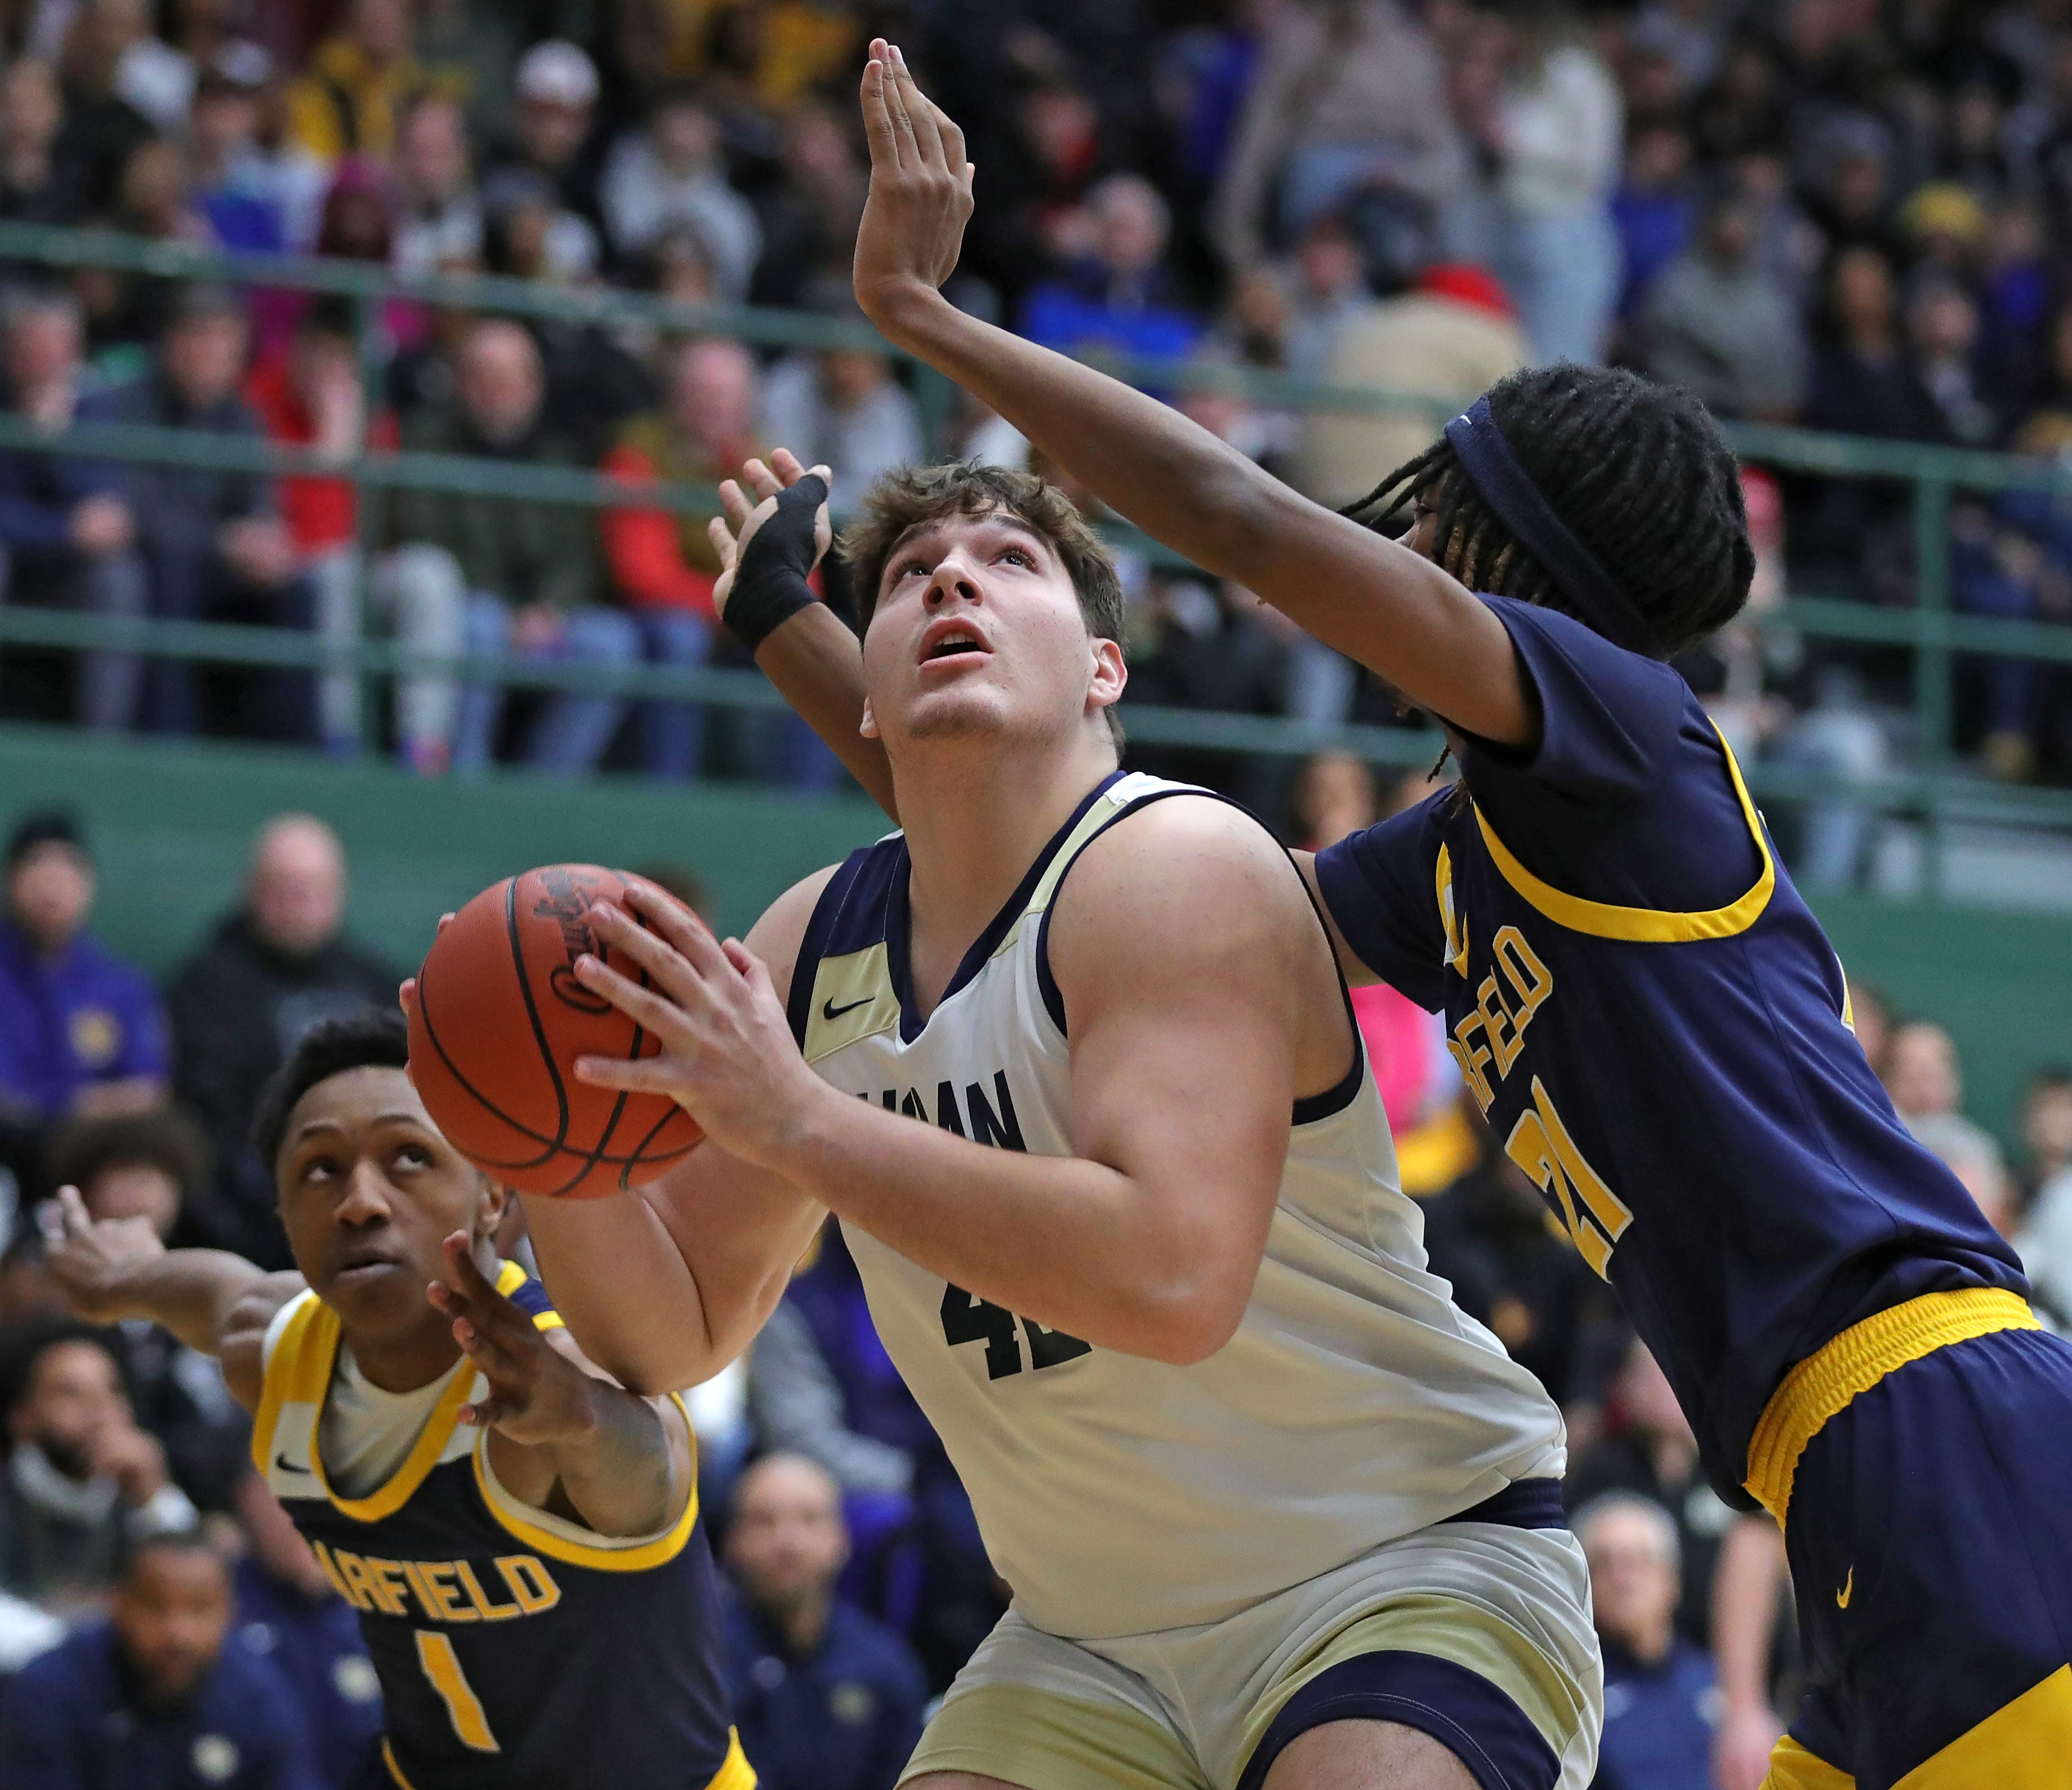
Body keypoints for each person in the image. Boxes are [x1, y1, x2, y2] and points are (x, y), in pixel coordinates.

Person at [747, 43, 2072, 1790]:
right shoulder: (1460, 855)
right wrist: (796, 636)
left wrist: (927, 314)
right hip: (1833, 1481)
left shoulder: (1620, 737)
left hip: (1937, 1419)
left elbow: (1234, 516)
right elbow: (1090, 880)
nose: (1411, 523)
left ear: (1507, 557)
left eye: (1446, 505)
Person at [42, 1007, 752, 1788]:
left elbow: (649, 1461)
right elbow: (206, 1291)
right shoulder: (275, 1352)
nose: (360, 1202)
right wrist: (120, 1277)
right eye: (319, 1168)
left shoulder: (557, 1374)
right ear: (282, 1214)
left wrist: (582, 1416)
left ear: (491, 1195)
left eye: (409, 1156)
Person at [389, 318, 637, 774]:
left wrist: (550, 609)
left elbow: (577, 555)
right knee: (478, 627)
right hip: (470, 606)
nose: (496, 391)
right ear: (460, 382)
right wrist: (507, 614)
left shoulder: (559, 456)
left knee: (613, 643)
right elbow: (423, 533)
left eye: (509, 378)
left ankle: (547, 788)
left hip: (542, 621)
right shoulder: (428, 444)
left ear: (533, 385)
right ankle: (465, 780)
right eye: (482, 377)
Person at [166, 813, 395, 1269]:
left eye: (313, 888)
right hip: (252, 1217)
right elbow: (207, 1124)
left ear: (338, 893)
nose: (299, 902)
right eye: (283, 886)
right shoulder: (204, 989)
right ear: (252, 889)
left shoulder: (375, 984)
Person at [81, 285, 309, 741]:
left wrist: (265, 540)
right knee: (170, 571)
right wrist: (220, 540)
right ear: (171, 342)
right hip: (155, 560)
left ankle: (298, 755)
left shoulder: (242, 418)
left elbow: (260, 503)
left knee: (297, 590)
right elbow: (128, 510)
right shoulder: (125, 405)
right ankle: (169, 742)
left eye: (224, 342)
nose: (211, 353)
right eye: (200, 338)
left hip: (220, 567)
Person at [0, 1526, 321, 1788]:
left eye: (199, 1609)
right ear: (118, 1604)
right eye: (155, 1607)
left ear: (230, 1612)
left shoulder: (258, 1693)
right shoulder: (48, 1691)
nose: (177, 1632)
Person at [601, 337, 765, 780]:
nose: (714, 408)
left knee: (814, 644)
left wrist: (755, 609)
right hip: (656, 618)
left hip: (740, 616)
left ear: (746, 403)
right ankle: (668, 790)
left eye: (726, 396)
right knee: (680, 638)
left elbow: (805, 581)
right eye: (702, 393)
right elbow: (643, 576)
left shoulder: (767, 461)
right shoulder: (638, 451)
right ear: (676, 396)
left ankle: (809, 813)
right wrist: (737, 603)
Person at [723, 1453, 927, 1790]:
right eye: (764, 1521)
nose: (788, 1541)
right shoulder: (697, 1662)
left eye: (809, 1519)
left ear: (842, 1540)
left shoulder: (886, 1666)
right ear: (731, 1542)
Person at [0, 287, 147, 732]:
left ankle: (103, 744)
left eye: (55, 349)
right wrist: (62, 528)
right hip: (14, 559)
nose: (44, 362)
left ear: (75, 350)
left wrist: (56, 448)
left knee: (120, 579)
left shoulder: (99, 406)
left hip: (69, 573)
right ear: (9, 348)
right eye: (32, 348)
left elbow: (109, 506)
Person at [0, 1321, 197, 1609]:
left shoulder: (136, 1498)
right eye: (71, 1392)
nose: (100, 1407)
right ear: (22, 1417)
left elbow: (197, 1591)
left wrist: (156, 1496)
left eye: (113, 1390)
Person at [0, 811, 166, 1143]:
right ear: (11, 881)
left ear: (89, 883)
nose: (52, 884)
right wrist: (83, 1103)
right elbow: (11, 1105)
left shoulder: (122, 987)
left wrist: (55, 1105)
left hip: (95, 1158)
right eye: (37, 867)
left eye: (67, 869)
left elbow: (146, 1093)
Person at [227, 1472, 382, 1790]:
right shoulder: (216, 1603)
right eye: (288, 1498)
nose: (309, 1518)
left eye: (327, 1496)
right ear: (248, 1501)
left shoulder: (384, 1608)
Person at [1575, 1495, 1717, 1790]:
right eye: (1604, 1563)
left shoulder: (1717, 1683)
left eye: (1637, 1561)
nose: (1621, 1580)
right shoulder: (1575, 1699)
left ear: (1672, 1580)